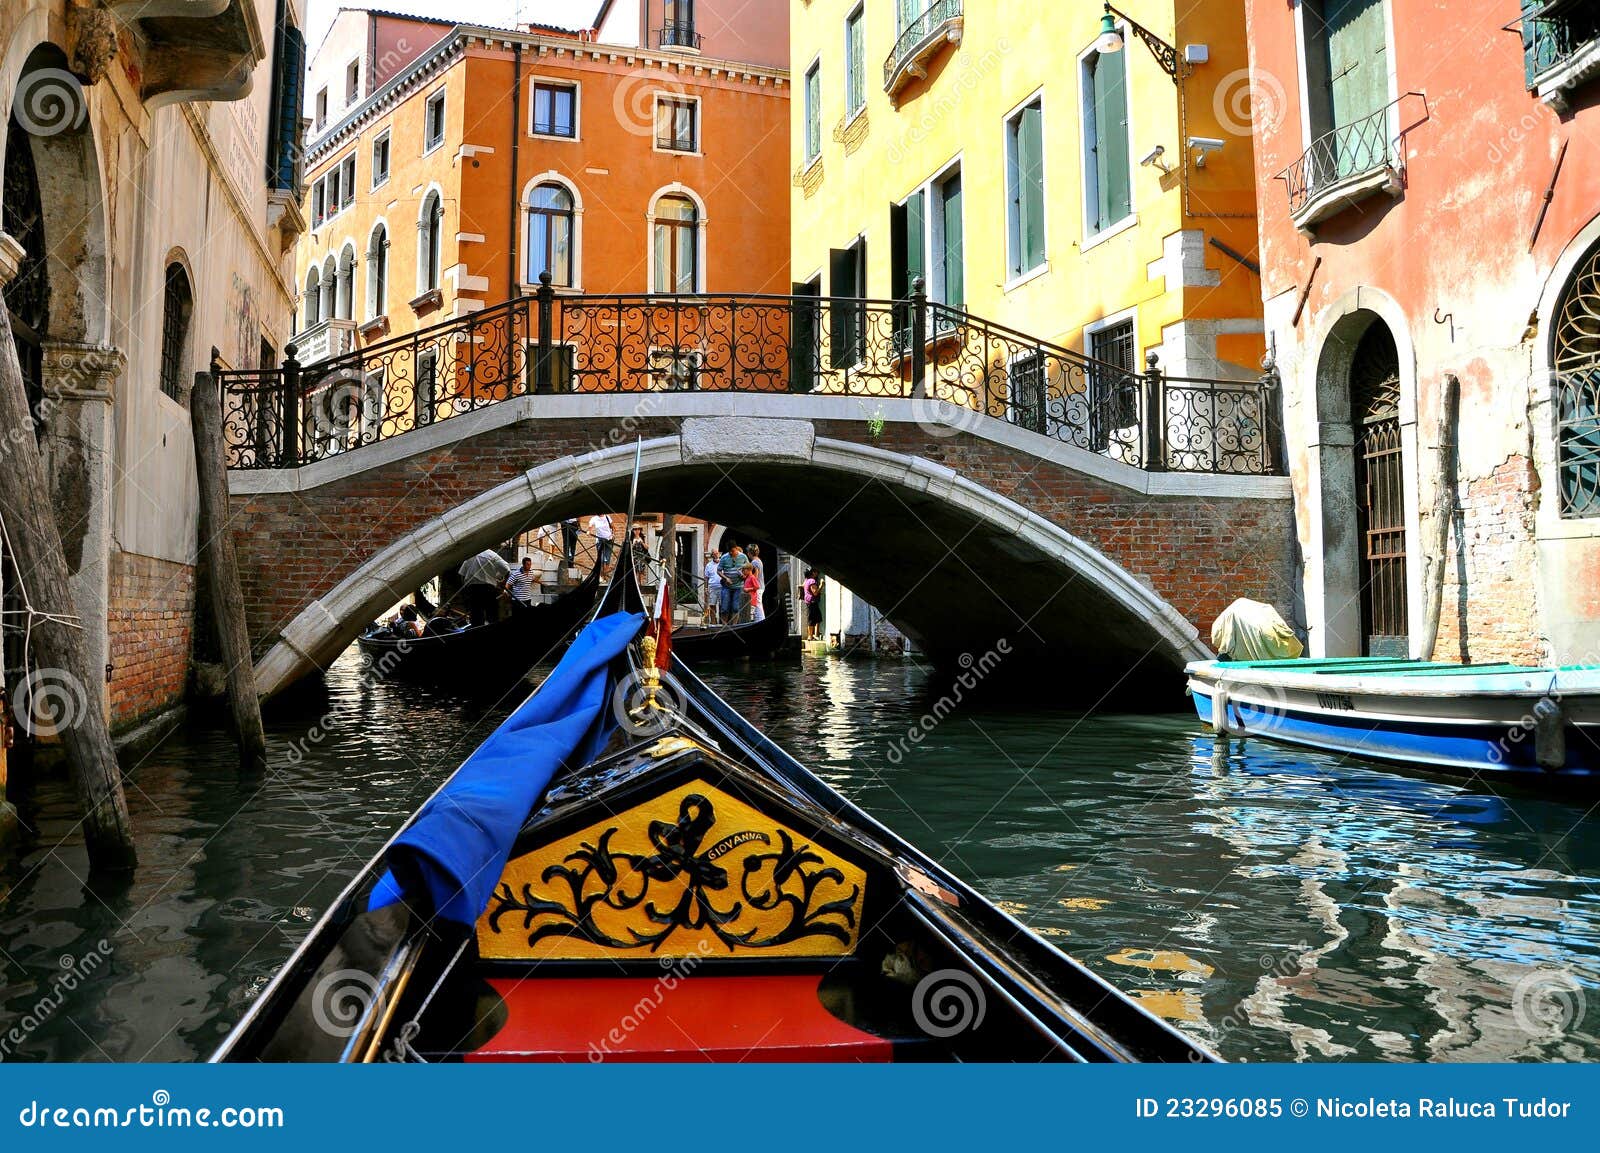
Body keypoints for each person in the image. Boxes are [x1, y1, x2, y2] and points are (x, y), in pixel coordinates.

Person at [718, 543, 746, 622]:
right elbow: (718, 570)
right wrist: (725, 578)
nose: (731, 553)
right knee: (724, 608)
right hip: (726, 586)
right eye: (729, 551)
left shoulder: (743, 556)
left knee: (735, 608)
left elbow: (748, 568)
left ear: (736, 548)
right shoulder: (724, 557)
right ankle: (724, 627)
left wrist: (744, 575)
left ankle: (734, 627)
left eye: (732, 551)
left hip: (738, 586)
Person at [702, 548, 722, 625]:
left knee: (722, 606)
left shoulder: (722, 563)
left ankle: (722, 622)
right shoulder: (708, 565)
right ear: (712, 555)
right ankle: (713, 622)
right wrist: (706, 588)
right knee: (712, 605)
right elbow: (706, 577)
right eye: (714, 553)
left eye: (717, 553)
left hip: (721, 587)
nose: (716, 554)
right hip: (712, 587)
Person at [803, 570, 824, 640]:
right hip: (812, 602)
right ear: (813, 573)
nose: (817, 573)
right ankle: (810, 636)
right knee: (812, 619)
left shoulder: (806, 580)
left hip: (810, 602)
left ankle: (815, 634)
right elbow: (815, 592)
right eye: (816, 572)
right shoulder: (812, 581)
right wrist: (821, 585)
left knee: (817, 618)